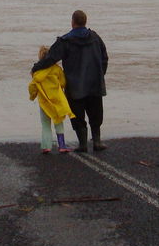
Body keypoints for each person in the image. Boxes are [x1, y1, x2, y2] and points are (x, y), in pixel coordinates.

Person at [31, 10, 108, 152]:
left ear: (72, 22)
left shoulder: (65, 41)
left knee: (77, 115)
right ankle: (97, 141)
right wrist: (100, 74)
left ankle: (83, 144)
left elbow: (50, 58)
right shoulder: (95, 37)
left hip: (75, 84)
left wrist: (36, 68)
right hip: (94, 83)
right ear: (85, 21)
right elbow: (105, 57)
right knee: (96, 113)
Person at [29, 45, 74, 154]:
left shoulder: (36, 72)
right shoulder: (56, 69)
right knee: (58, 122)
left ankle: (46, 146)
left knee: (45, 124)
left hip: (44, 102)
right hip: (57, 100)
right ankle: (62, 145)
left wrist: (33, 96)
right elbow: (63, 82)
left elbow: (32, 86)